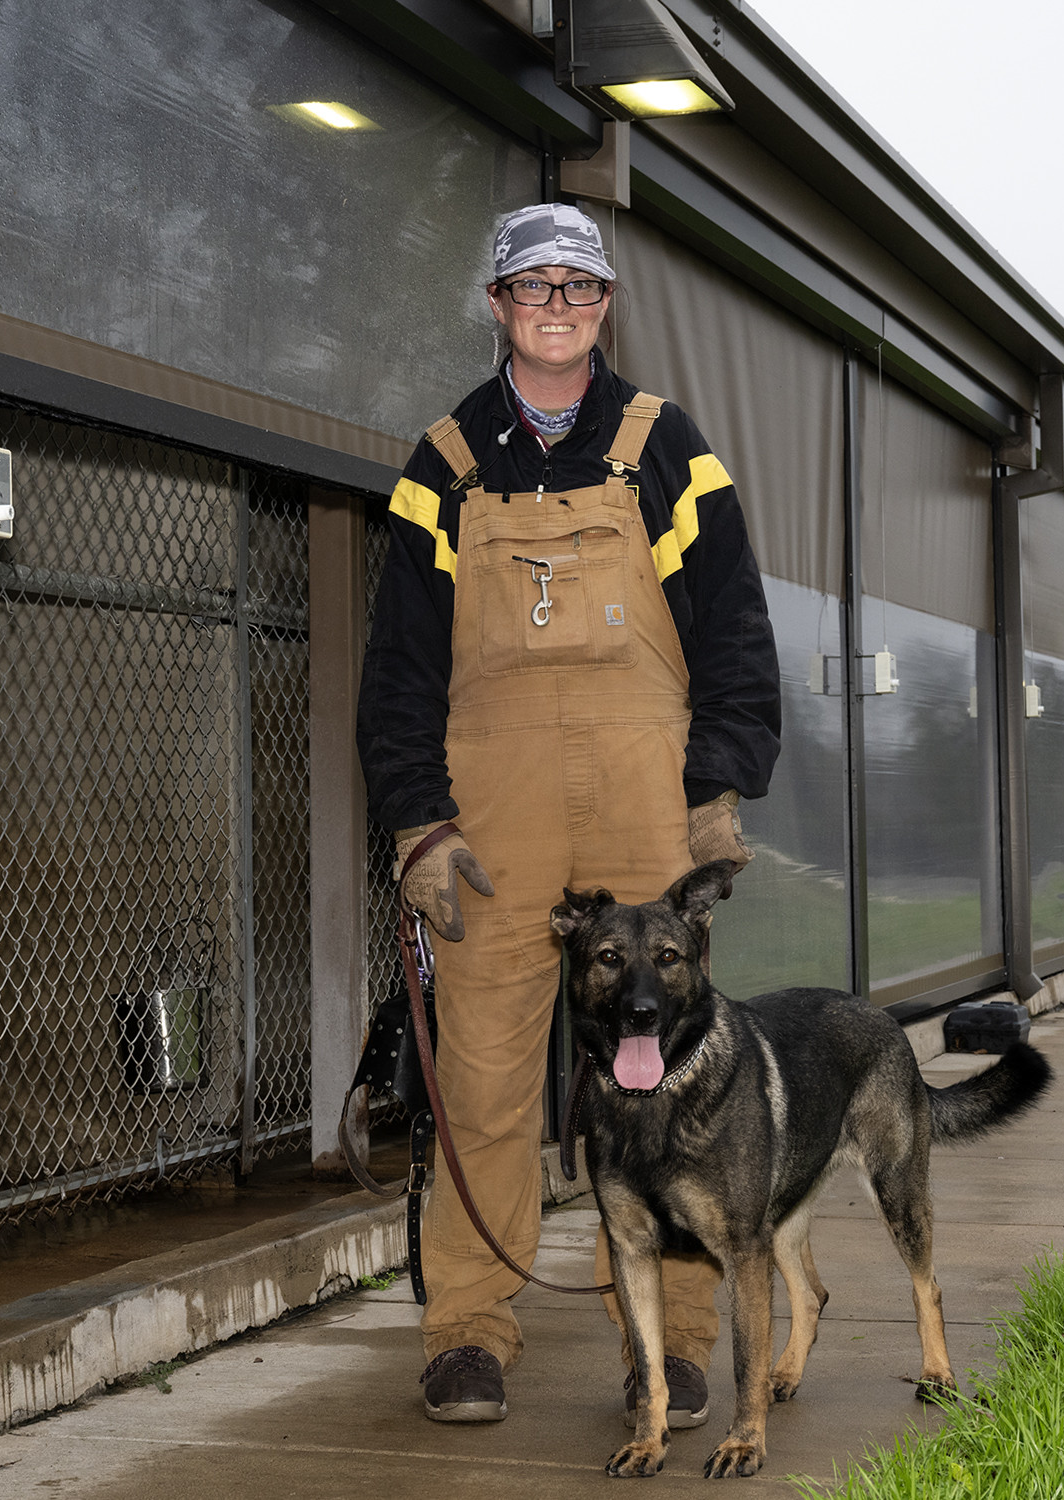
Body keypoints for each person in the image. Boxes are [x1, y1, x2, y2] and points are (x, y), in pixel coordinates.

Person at [356, 202, 782, 1426]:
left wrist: (716, 787)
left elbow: (735, 630)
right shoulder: (441, 464)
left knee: (669, 1080)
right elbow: (397, 672)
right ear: (495, 305)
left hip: (647, 796)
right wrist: (419, 827)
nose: (557, 305)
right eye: (533, 286)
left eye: (579, 287)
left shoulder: (666, 447)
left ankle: (678, 1341)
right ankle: (468, 1333)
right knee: (484, 1076)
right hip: (494, 812)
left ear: (605, 306)